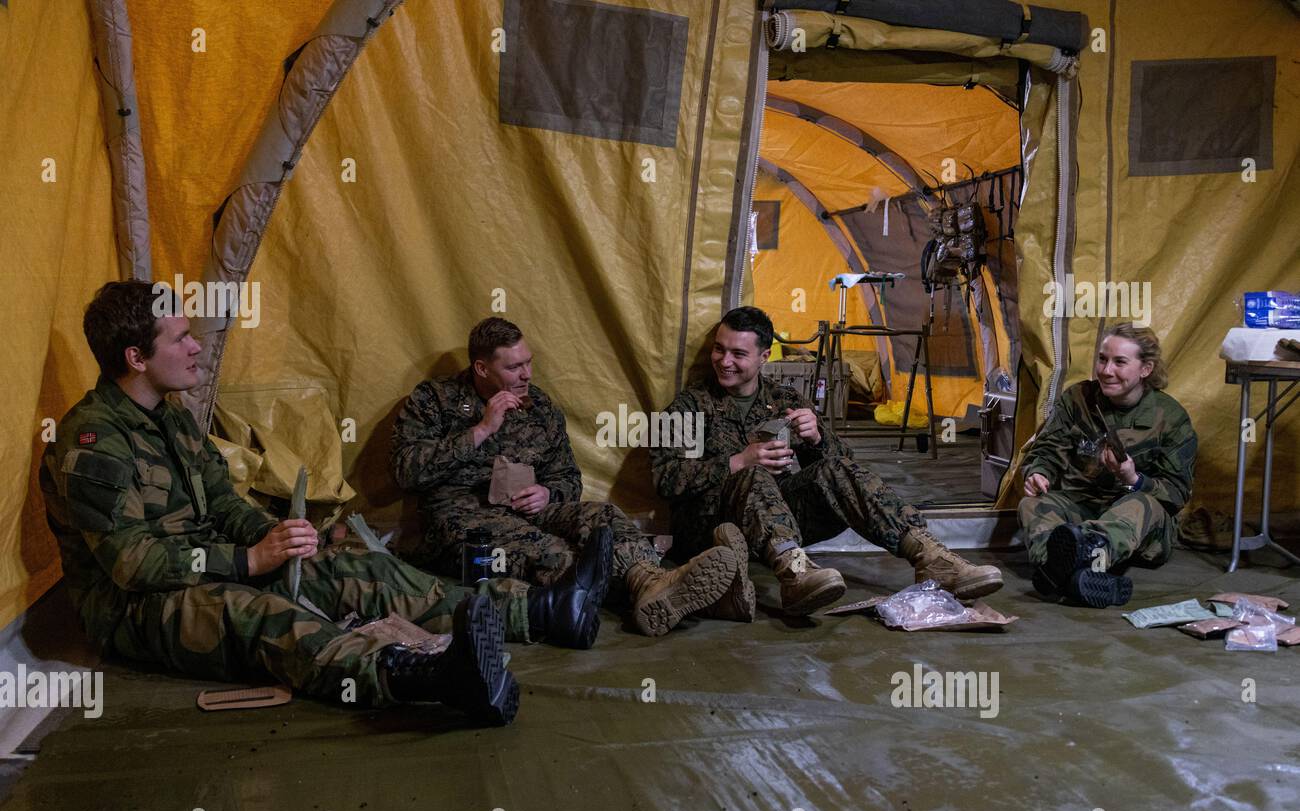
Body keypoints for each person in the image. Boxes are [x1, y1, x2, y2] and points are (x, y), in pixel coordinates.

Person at [40, 281, 608, 727]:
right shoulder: (93, 444)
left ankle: (542, 611)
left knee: (347, 567)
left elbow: (221, 502)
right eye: (180, 338)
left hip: (207, 563)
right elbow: (131, 565)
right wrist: (246, 563)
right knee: (259, 615)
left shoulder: (170, 417)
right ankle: (423, 677)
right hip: (133, 608)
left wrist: (277, 537)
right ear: (136, 357)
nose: (197, 346)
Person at [391, 317, 747, 638]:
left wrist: (548, 493)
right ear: (482, 369)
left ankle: (655, 585)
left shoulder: (539, 406)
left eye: (528, 362)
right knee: (555, 553)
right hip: (467, 522)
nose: (527, 374)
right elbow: (407, 472)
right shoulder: (434, 399)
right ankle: (675, 592)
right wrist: (481, 430)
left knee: (605, 518)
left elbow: (567, 477)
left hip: (530, 510)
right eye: (514, 367)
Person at [649, 306, 1002, 616]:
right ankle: (796, 573)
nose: (724, 361)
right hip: (711, 529)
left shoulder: (783, 399)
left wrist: (817, 437)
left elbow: (842, 469)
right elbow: (664, 478)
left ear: (764, 357)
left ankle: (930, 558)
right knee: (754, 476)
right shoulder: (688, 407)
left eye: (738, 354)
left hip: (775, 522)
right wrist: (737, 462)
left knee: (834, 469)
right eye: (719, 349)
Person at [1019, 322, 1197, 607]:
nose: (1106, 370)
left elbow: (1177, 493)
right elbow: (1048, 449)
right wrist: (1038, 472)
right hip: (1083, 506)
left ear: (1145, 369)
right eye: (1102, 359)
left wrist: (1134, 479)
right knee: (1031, 505)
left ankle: (1068, 564)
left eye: (1120, 362)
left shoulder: (1171, 418)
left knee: (1141, 503)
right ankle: (1076, 572)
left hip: (1140, 528)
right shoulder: (1077, 400)